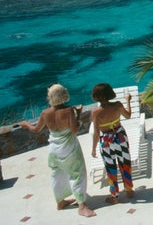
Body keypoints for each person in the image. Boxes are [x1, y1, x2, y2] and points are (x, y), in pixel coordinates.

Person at [19, 84, 96, 218]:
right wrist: (78, 115)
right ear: (64, 95)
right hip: (69, 148)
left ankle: (60, 201)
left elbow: (36, 130)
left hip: (54, 149)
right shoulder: (68, 111)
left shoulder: (45, 113)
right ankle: (82, 206)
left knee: (57, 174)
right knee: (77, 174)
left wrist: (26, 124)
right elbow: (75, 130)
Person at [90, 83, 134, 204]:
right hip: (120, 137)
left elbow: (96, 132)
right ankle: (129, 190)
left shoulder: (95, 113)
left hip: (106, 141)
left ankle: (114, 196)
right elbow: (128, 116)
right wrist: (128, 101)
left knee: (110, 168)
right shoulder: (118, 105)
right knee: (125, 163)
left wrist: (93, 149)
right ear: (110, 94)